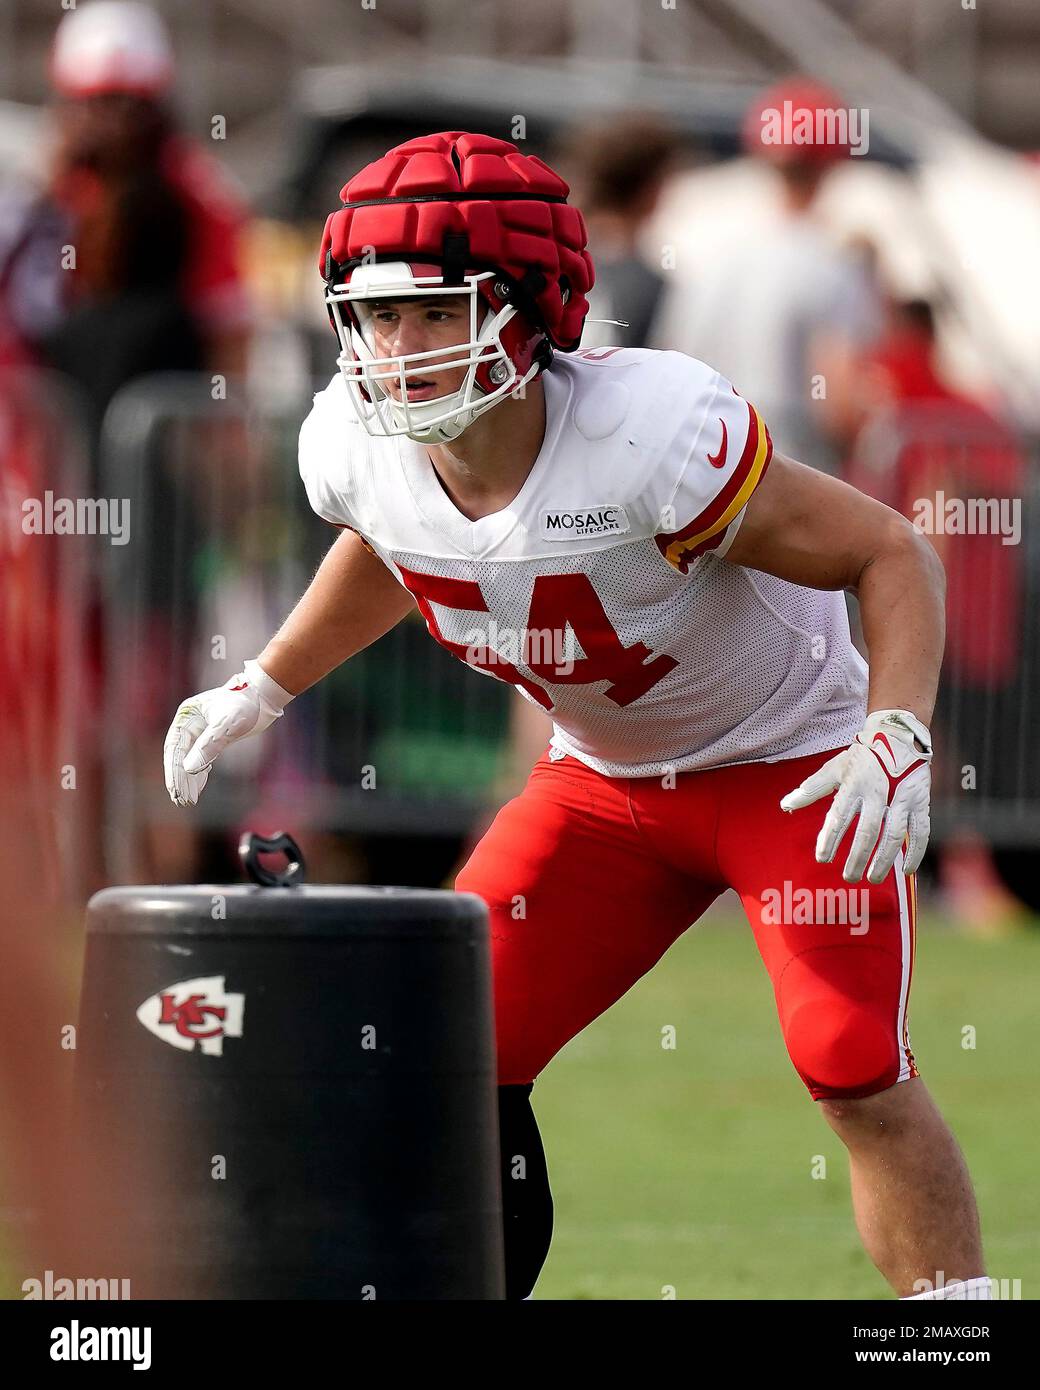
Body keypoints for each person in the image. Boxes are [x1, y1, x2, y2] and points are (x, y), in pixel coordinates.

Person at [164, 131, 987, 1302]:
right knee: (448, 1052)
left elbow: (887, 550)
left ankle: (952, 1326)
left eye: (433, 312)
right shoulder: (354, 447)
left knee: (848, 1063)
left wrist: (893, 730)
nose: (396, 350)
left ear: (526, 307)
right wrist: (266, 680)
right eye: (376, 318)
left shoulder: (646, 438)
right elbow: (392, 550)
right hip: (604, 786)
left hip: (788, 763)